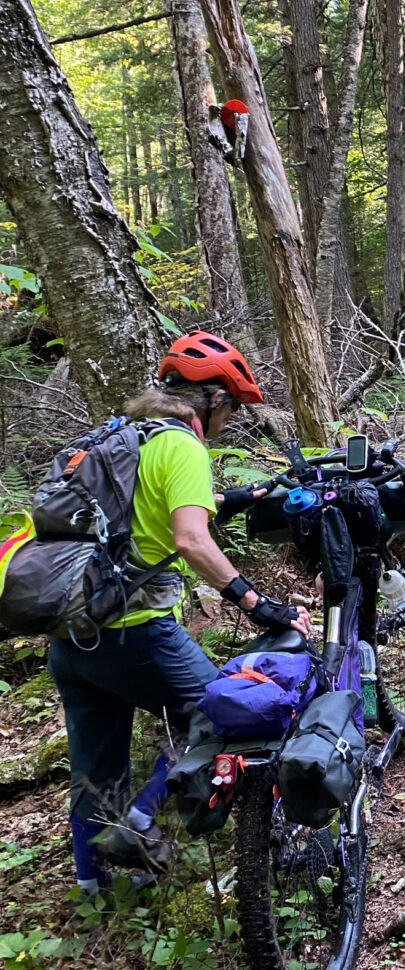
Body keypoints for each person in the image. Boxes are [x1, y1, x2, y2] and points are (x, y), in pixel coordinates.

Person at [48, 331, 311, 891]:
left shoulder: (127, 435)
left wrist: (238, 498)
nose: (233, 417)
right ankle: (143, 822)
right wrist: (258, 604)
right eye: (233, 405)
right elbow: (190, 540)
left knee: (94, 767)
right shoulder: (185, 446)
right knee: (225, 712)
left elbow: (158, 509)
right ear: (212, 399)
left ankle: (95, 887)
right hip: (135, 631)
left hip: (73, 630)